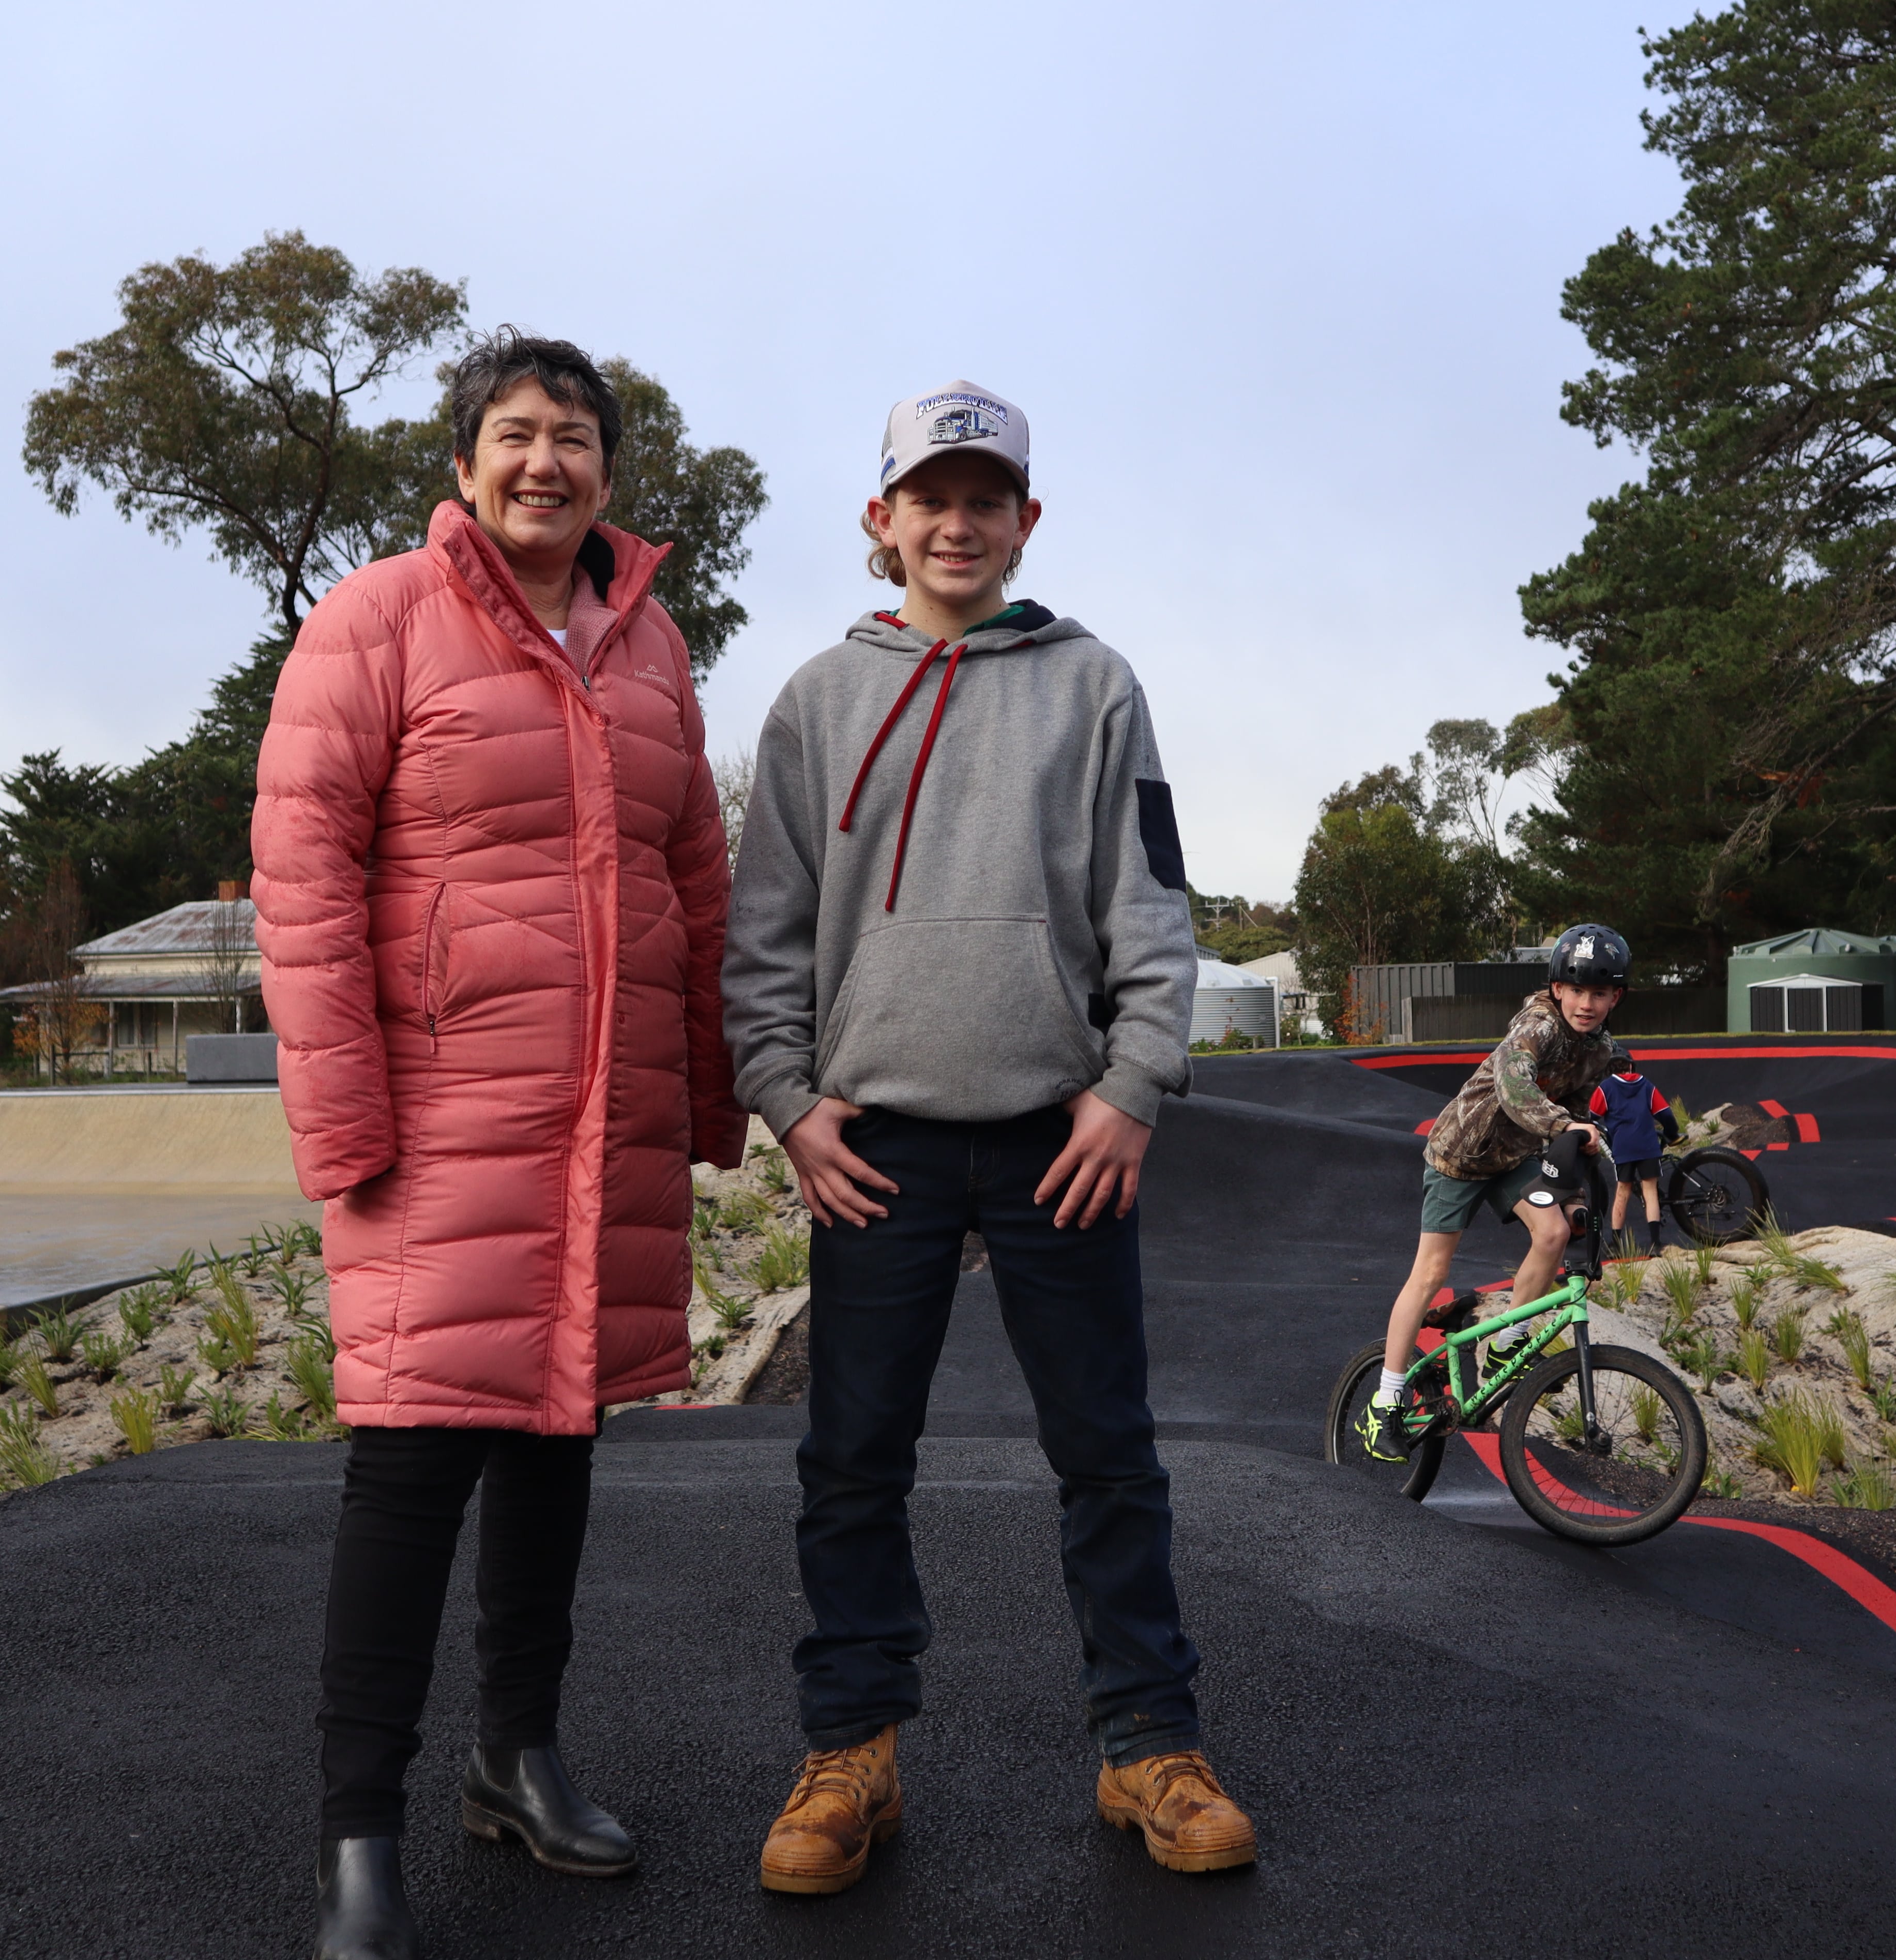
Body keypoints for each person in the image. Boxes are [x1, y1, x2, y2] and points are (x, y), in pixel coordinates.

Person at [721, 379, 1256, 1895]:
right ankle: (851, 1754)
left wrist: (1131, 1080)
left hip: (1055, 1137)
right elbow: (761, 935)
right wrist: (787, 1094)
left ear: (1025, 520)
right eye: (927, 496)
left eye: (985, 497)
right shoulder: (816, 700)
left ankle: (1149, 1740)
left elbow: (1148, 904)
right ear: (879, 522)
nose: (956, 522)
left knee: (1106, 1455)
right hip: (870, 1143)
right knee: (849, 1459)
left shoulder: (1092, 685)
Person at [254, 330, 745, 1960]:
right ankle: (356, 1837)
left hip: (603, 1126)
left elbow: (694, 878)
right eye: (516, 434)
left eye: (577, 437)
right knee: (406, 1471)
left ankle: (514, 1754)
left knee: (556, 1450)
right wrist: (343, 1118)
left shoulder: (652, 644)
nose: (548, 462)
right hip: (440, 1124)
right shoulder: (376, 617)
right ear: (463, 461)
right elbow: (304, 879)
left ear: (609, 469)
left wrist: (717, 1087)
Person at [1357, 924, 1630, 1465]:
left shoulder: (1598, 1049)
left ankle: (1510, 1343)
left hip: (1514, 1156)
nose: (1586, 1003)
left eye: (1600, 994)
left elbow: (1575, 1102)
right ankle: (1384, 1402)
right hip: (1461, 1152)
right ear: (1557, 988)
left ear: (1616, 997)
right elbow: (1515, 1088)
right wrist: (1563, 1127)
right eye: (1576, 990)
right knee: (1430, 1272)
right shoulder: (1537, 1025)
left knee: (1556, 1231)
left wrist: (1593, 1140)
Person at [1589, 1050, 1679, 1258]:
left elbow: (1592, 1117)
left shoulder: (1605, 1088)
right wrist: (1671, 1134)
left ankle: (1616, 1244)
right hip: (1648, 1146)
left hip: (1623, 1147)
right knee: (1651, 1192)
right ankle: (1656, 1244)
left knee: (1623, 1192)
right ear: (1630, 1066)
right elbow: (1665, 1114)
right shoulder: (1646, 1085)